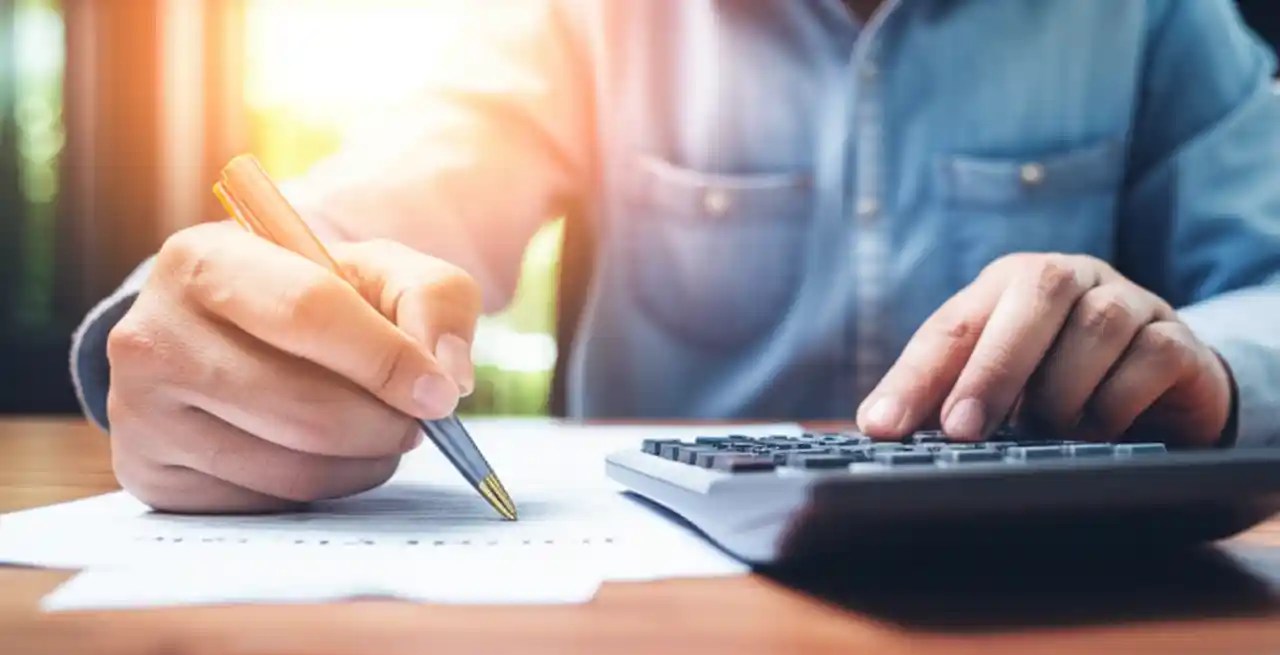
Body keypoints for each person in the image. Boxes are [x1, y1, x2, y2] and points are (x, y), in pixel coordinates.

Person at [72, 1, 1280, 513]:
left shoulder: (1150, 14)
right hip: (648, 637)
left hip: (1060, 619)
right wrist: (215, 330)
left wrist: (1204, 371)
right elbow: (381, 200)